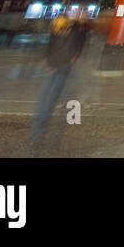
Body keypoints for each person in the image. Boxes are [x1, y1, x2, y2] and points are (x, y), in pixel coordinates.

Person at [29, 12, 88, 151]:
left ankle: (38, 137)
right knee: (51, 102)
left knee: (47, 101)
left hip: (56, 67)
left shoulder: (64, 27)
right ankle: (43, 138)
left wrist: (49, 62)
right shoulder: (75, 29)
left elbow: (52, 45)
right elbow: (71, 46)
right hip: (61, 67)